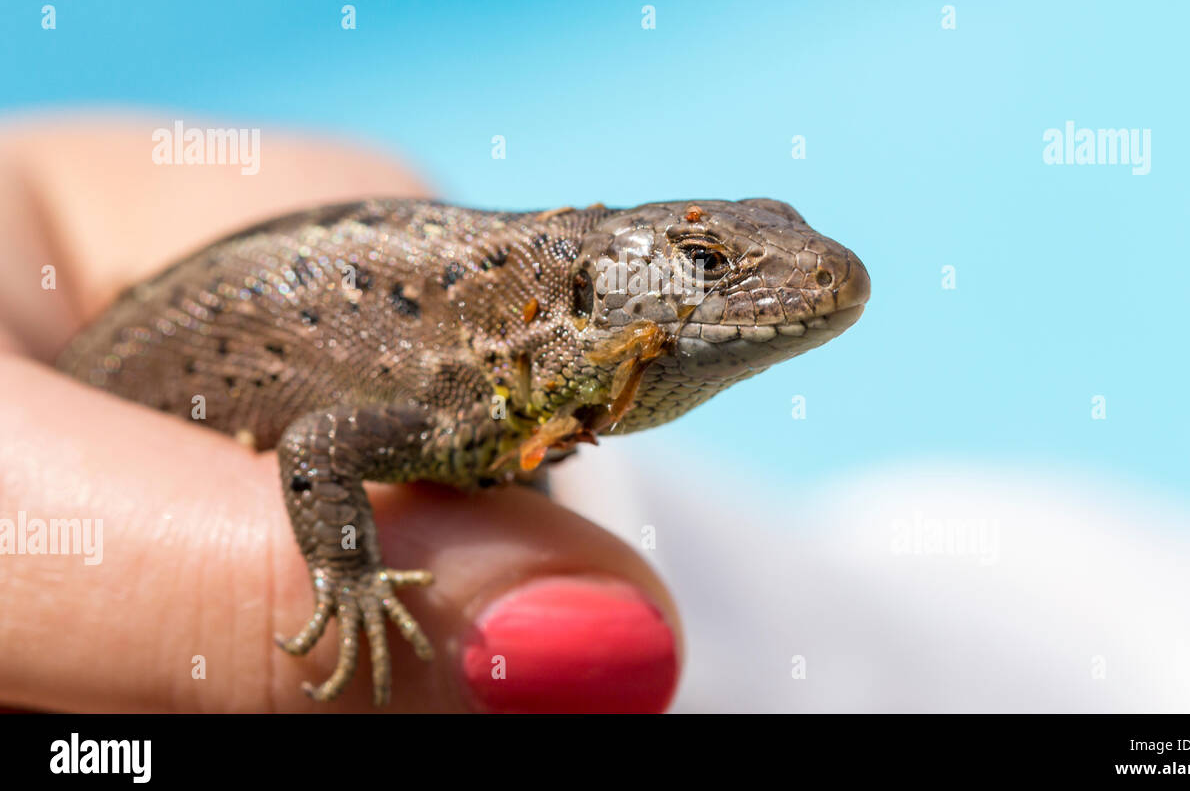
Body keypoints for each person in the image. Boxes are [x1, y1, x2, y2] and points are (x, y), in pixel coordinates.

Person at [0, 114, 681, 713]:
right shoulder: (461, 403)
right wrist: (349, 579)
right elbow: (319, 449)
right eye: (705, 266)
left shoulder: (503, 398)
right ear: (591, 293)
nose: (785, 285)